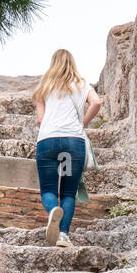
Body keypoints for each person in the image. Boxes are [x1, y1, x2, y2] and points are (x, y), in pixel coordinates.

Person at [32, 49, 102, 246]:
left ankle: (53, 209)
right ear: (72, 63)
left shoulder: (43, 87)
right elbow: (96, 102)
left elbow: (40, 120)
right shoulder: (81, 84)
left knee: (48, 190)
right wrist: (83, 123)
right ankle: (63, 235)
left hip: (48, 142)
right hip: (73, 143)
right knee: (69, 192)